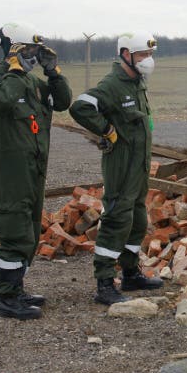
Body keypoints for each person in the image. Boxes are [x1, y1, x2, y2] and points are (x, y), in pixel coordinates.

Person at [0, 23, 72, 320]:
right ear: (12, 50)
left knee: (30, 229)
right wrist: (15, 70)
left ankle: (16, 287)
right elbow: (2, 101)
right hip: (10, 171)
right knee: (13, 229)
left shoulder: (33, 84)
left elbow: (62, 102)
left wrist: (53, 72)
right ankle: (6, 298)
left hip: (34, 168)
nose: (33, 55)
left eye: (36, 50)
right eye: (28, 50)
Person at [69, 31, 163, 305]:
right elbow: (80, 107)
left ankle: (131, 273)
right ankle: (105, 284)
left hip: (139, 163)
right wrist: (106, 130)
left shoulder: (137, 82)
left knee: (137, 218)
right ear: (125, 55)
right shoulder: (112, 84)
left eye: (150, 54)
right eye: (143, 55)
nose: (148, 60)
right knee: (116, 219)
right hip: (121, 163)